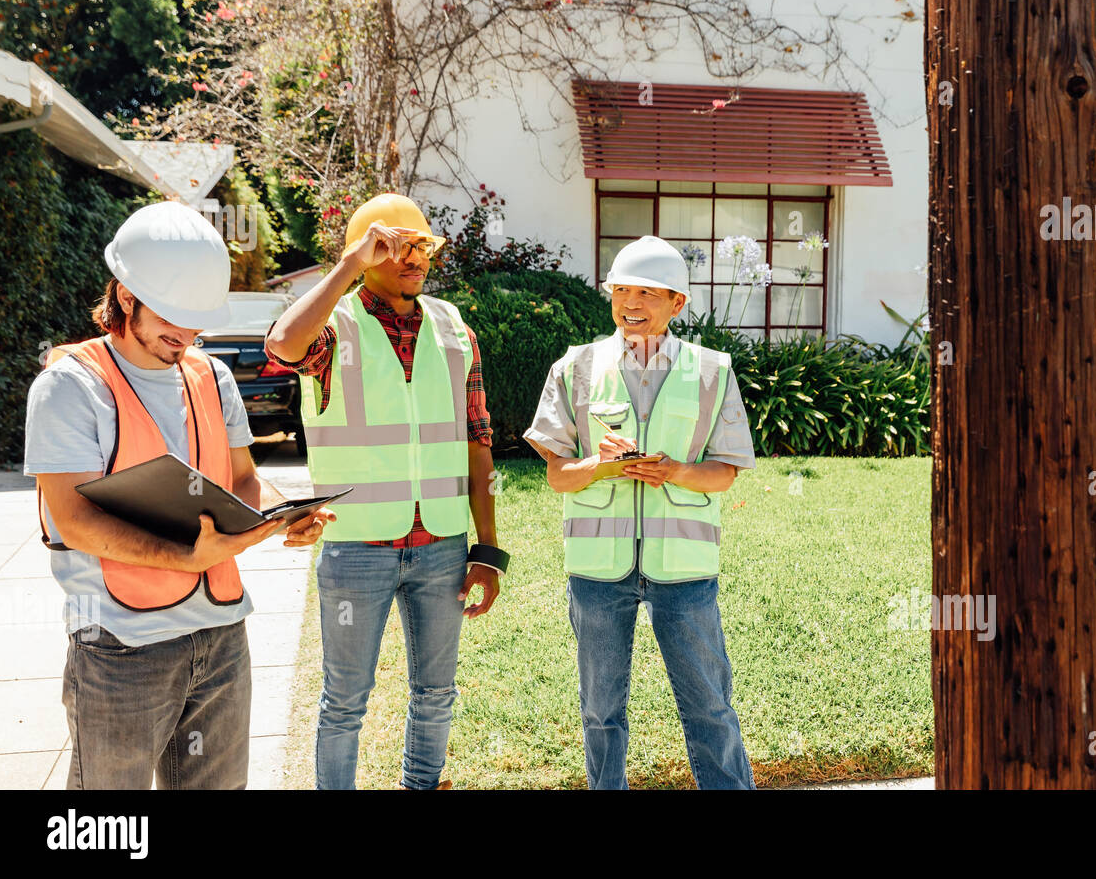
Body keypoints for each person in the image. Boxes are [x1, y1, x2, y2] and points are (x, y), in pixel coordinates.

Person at [26, 200, 335, 790]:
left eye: (196, 320)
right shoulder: (70, 388)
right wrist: (184, 557)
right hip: (120, 647)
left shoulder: (211, 377)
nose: (187, 335)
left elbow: (242, 479)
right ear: (123, 295)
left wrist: (280, 514)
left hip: (220, 637)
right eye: (172, 316)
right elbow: (72, 522)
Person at [264, 193, 508, 790]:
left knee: (436, 692)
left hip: (442, 545)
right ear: (365, 251)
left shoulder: (455, 329)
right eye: (394, 246)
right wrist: (348, 267)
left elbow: (479, 440)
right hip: (357, 548)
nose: (412, 258)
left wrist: (488, 547)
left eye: (420, 246)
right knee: (345, 700)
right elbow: (283, 345)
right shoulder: (336, 327)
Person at [524, 235, 757, 789]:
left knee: (709, 706)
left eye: (647, 292)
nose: (631, 302)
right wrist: (601, 467)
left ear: (677, 304)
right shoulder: (574, 367)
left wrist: (674, 470)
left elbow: (724, 472)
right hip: (597, 572)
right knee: (600, 712)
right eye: (621, 289)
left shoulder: (712, 371)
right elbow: (558, 475)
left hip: (685, 570)